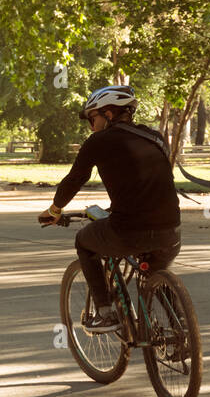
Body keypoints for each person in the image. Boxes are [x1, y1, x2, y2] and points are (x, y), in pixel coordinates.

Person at [38, 85, 181, 332]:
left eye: (92, 118)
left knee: (84, 242)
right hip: (172, 231)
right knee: (154, 271)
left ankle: (106, 313)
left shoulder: (98, 142)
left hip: (129, 231)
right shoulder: (154, 137)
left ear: (109, 114)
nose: (90, 126)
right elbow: (145, 183)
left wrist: (55, 210)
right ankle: (182, 328)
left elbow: (74, 180)